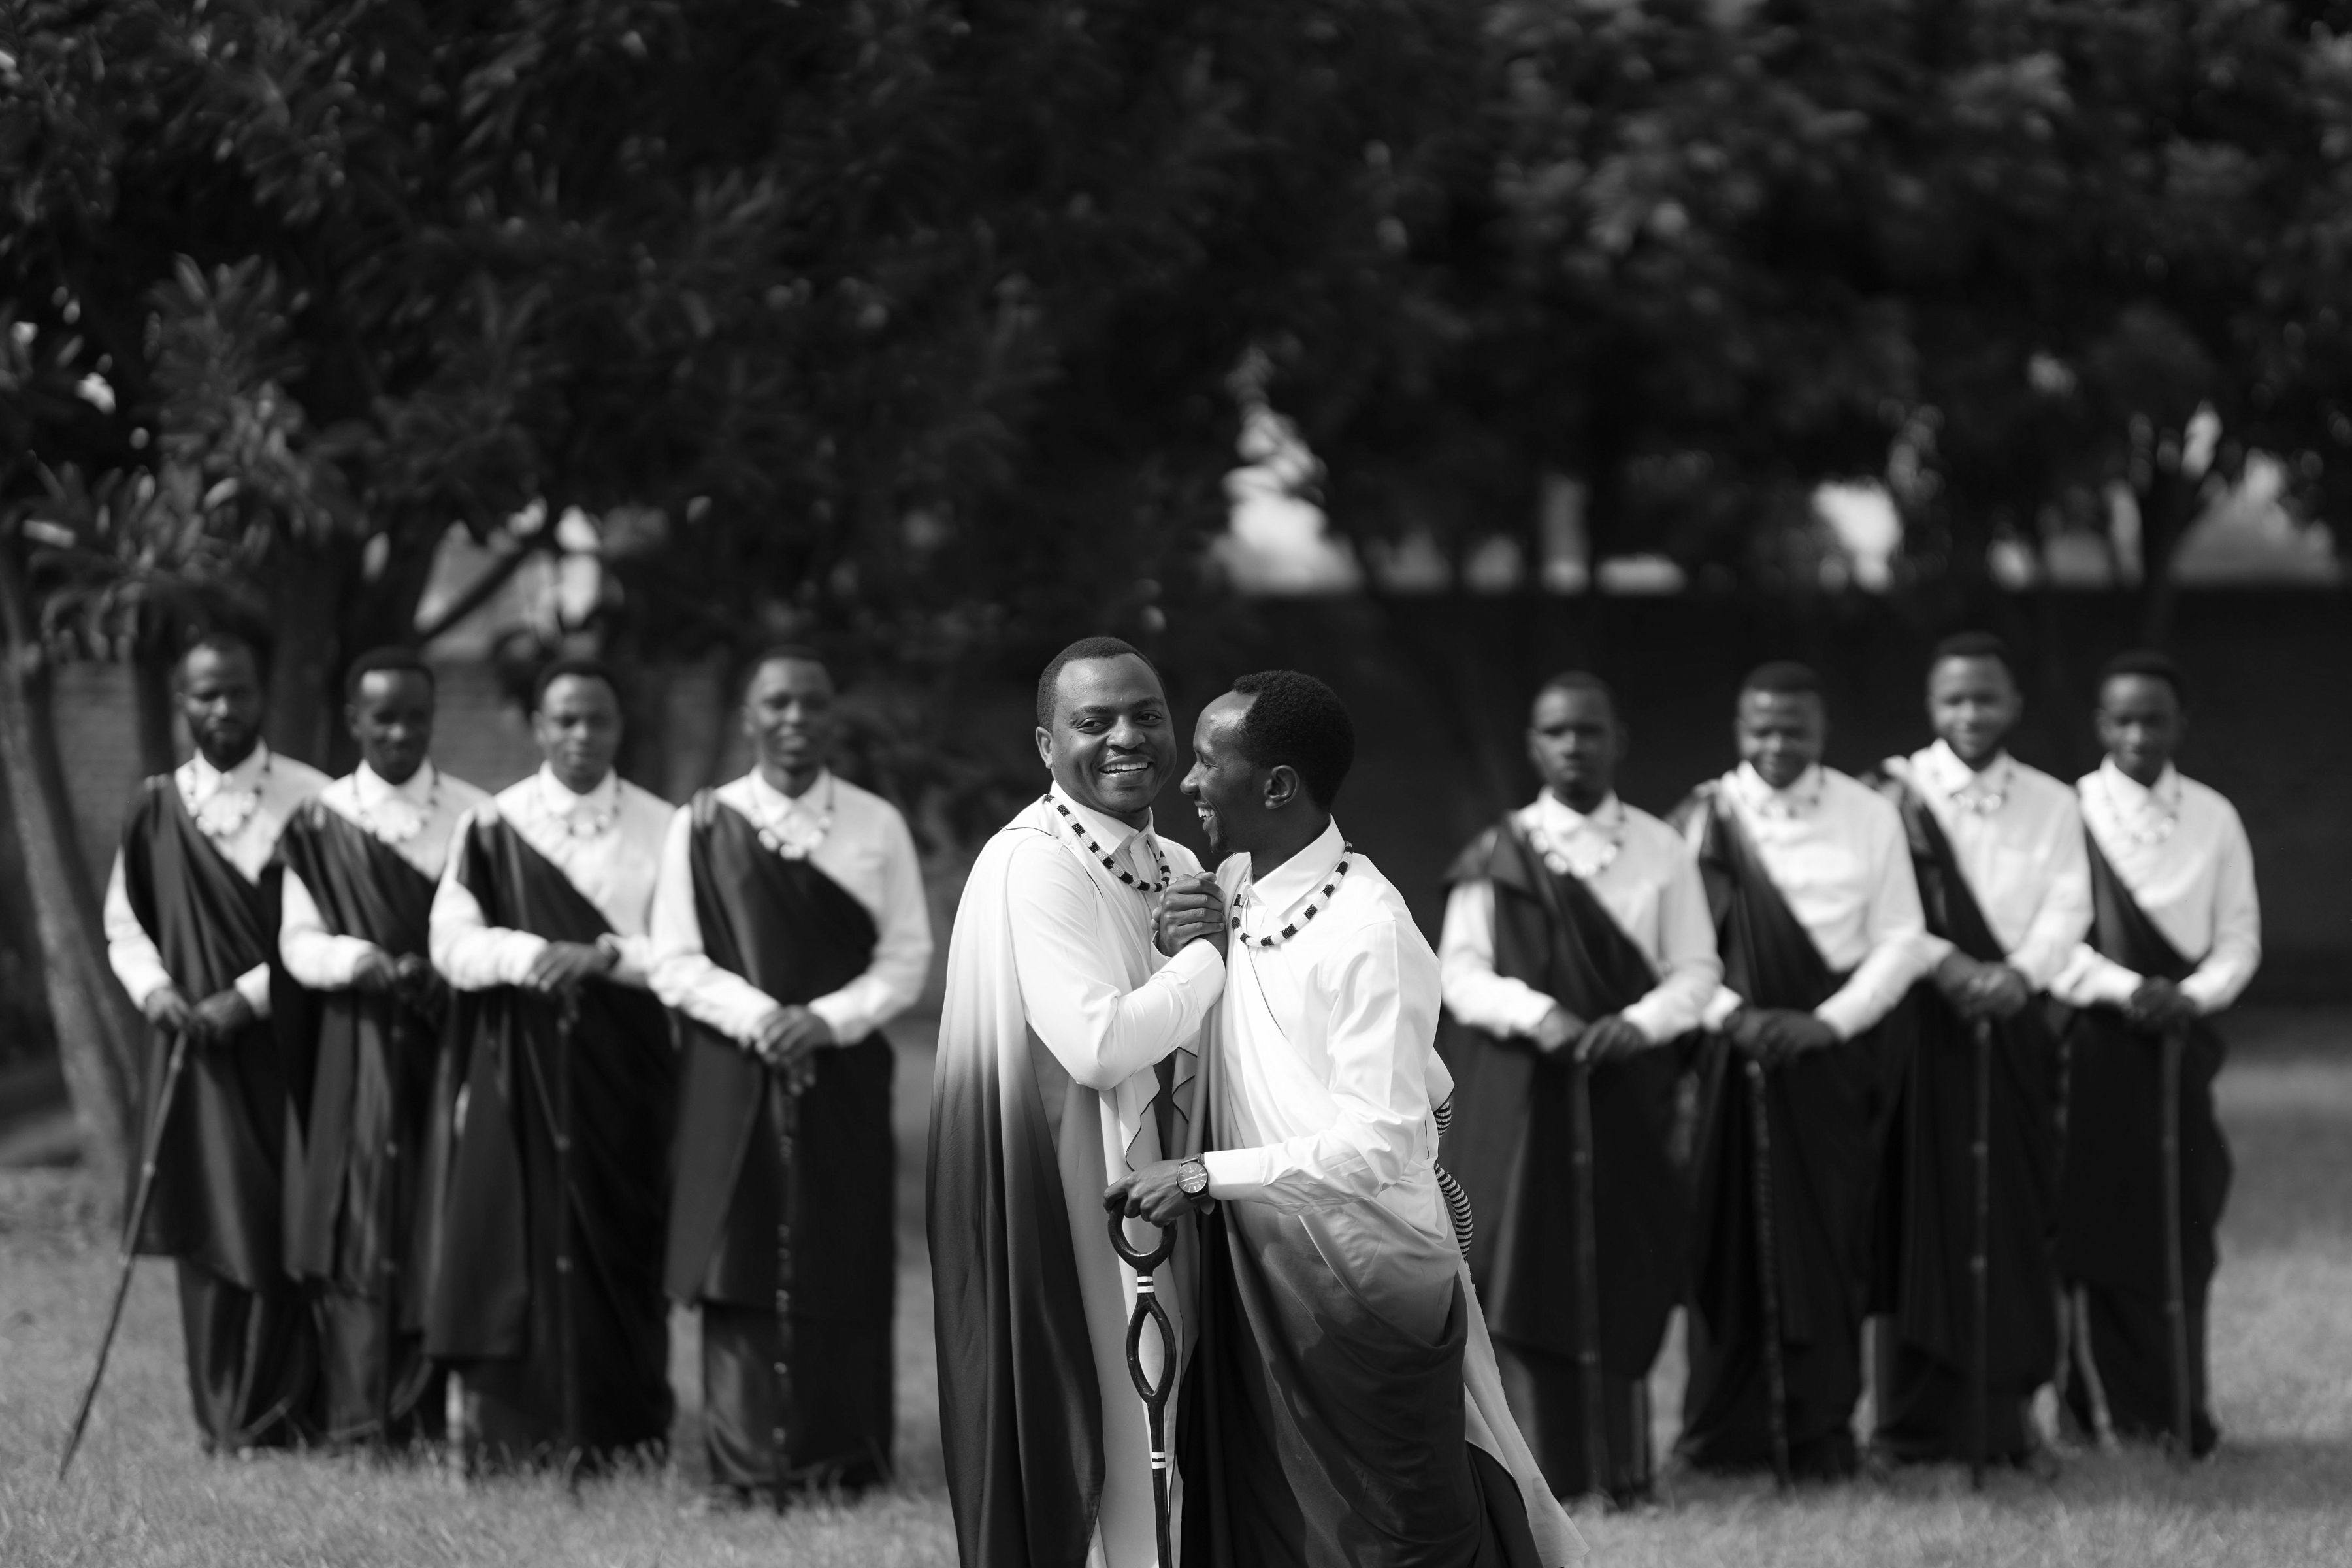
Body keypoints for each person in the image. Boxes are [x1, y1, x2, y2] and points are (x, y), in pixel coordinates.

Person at [1120, 669, 1580, 1567]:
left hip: (1366, 1278)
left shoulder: (1371, 930)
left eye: (1209, 761)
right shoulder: (1237, 881)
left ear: (1278, 786)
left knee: (1394, 1530)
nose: (1186, 781)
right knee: (1275, 1522)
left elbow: (1387, 1138)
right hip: (1257, 1265)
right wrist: (1187, 944)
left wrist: (1207, 1175)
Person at [928, 636, 1228, 1568]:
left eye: (1146, 715)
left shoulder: (1175, 857)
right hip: (1070, 1192)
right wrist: (1211, 956)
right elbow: (1097, 1046)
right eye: (1094, 722)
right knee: (1119, 1420)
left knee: (1173, 1423)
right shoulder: (1036, 862)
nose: (1126, 737)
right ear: (1045, 743)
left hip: (1172, 1177)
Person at [650, 647, 932, 1502]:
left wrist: (826, 1021)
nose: (795, 719)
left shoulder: (877, 824)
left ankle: (845, 1456)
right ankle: (745, 1462)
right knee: (740, 1250)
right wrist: (762, 1019)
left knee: (840, 1246)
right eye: (777, 703)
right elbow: (673, 958)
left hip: (845, 1073)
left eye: (812, 703)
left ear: (833, 715)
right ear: (748, 717)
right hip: (732, 1071)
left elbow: (907, 955)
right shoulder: (700, 823)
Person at [1435, 671, 1720, 1502]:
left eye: (1588, 731)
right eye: (1556, 732)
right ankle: (1543, 1476)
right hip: (1527, 1103)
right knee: (1524, 1274)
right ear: (1534, 745)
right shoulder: (1500, 851)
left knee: (1628, 1268)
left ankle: (1628, 1471)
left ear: (1616, 739)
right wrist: (1540, 1015)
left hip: (1631, 1093)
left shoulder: (1664, 849)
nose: (1573, 746)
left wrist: (1643, 1022)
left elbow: (1698, 969)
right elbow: (1461, 974)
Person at [1669, 661, 1925, 1481]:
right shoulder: (1703, 818)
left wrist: (1827, 1022)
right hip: (1728, 1061)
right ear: (1739, 730)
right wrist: (1730, 1016)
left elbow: (1901, 938)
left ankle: (1821, 1436)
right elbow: (1670, 944)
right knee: (1727, 1241)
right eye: (1761, 729)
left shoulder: (1869, 815)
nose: (1777, 744)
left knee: (1830, 1244)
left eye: (1794, 729)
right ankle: (1723, 1439)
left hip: (1834, 1063)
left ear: (1821, 733)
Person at [424, 658, 677, 1468]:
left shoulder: (666, 827)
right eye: (563, 720)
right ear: (538, 726)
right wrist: (534, 952)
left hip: (628, 1069)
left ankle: (622, 1432)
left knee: (624, 1235)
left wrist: (605, 955)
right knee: (513, 1236)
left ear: (619, 727)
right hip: (518, 1065)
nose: (580, 736)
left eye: (596, 720)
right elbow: (452, 943)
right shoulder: (492, 827)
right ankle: (509, 1437)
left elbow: (686, 950)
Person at [103, 629, 331, 1451]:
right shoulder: (152, 806)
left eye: (237, 691)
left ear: (262, 693)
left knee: (282, 1222)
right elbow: (125, 927)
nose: (223, 708)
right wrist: (157, 992)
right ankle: (222, 1417)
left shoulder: (314, 800)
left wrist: (250, 997)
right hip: (189, 1053)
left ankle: (293, 1409)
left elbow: (333, 923)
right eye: (206, 694)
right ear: (182, 703)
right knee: (208, 1217)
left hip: (287, 1046)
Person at [1867, 632, 2089, 1469]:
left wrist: (2020, 976)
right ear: (1932, 707)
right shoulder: (1891, 794)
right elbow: (1883, 907)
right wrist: (1949, 963)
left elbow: (2070, 905)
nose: (1970, 714)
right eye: (1954, 700)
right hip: (1921, 1032)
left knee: (2016, 1213)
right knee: (1919, 1212)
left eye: (1986, 698)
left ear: (2014, 705)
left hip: (2020, 1031)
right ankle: (1913, 1427)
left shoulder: (2054, 801)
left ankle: (2005, 1419)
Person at [276, 646, 489, 1448]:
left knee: (440, 1209)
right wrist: (359, 962)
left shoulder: (475, 817)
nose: (400, 732)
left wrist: (445, 972)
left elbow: (483, 927)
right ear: (354, 721)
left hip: (448, 1045)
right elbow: (297, 943)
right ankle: (360, 1415)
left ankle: (438, 1414)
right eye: (383, 717)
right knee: (357, 1219)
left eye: (416, 717)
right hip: (357, 1044)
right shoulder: (319, 821)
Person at [2050, 651, 2258, 1458]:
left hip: (2180, 1046)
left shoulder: (2215, 817)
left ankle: (2175, 1407)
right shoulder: (2066, 813)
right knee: (2091, 1222)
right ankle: (2089, 1411)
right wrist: (2122, 989)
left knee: (2182, 1215)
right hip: (2095, 1045)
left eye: (2156, 719)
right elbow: (2051, 936)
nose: (2140, 734)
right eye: (2124, 720)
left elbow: (2239, 936)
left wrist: (2191, 997)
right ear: (2102, 726)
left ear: (2180, 725)